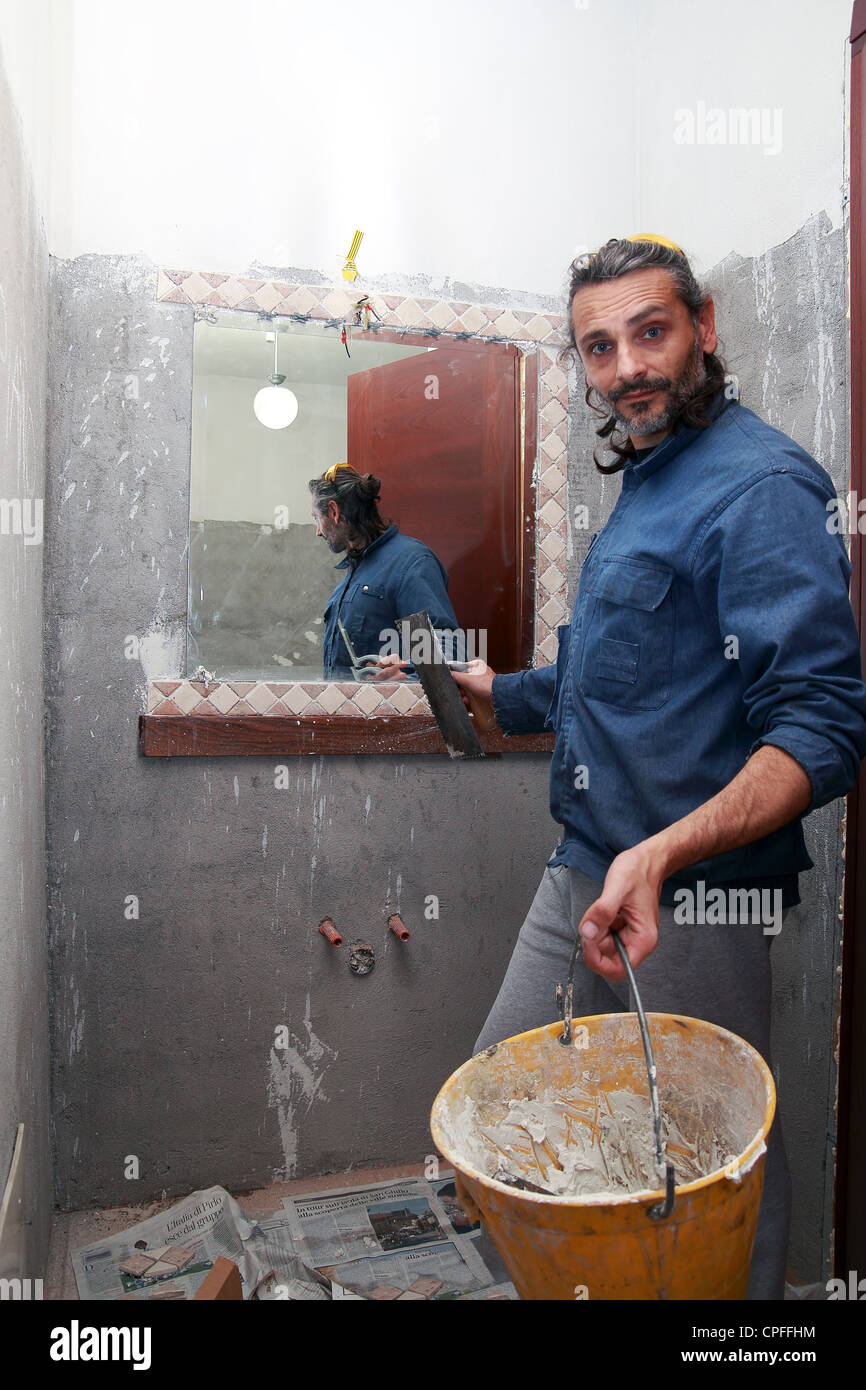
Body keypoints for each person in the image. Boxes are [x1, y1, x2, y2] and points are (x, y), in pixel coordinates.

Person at [451, 234, 866, 1300]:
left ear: (702, 327)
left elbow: (820, 729)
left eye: (649, 332)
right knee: (497, 1131)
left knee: (701, 1175)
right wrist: (506, 694)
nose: (625, 366)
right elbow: (623, 677)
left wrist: (665, 851)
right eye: (598, 347)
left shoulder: (762, 487)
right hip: (583, 866)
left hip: (693, 898)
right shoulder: (649, 482)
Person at [310, 462, 461, 678]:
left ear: (334, 511)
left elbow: (443, 650)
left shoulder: (410, 562)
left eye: (317, 518)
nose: (318, 531)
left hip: (387, 710)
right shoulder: (357, 569)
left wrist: (408, 677)